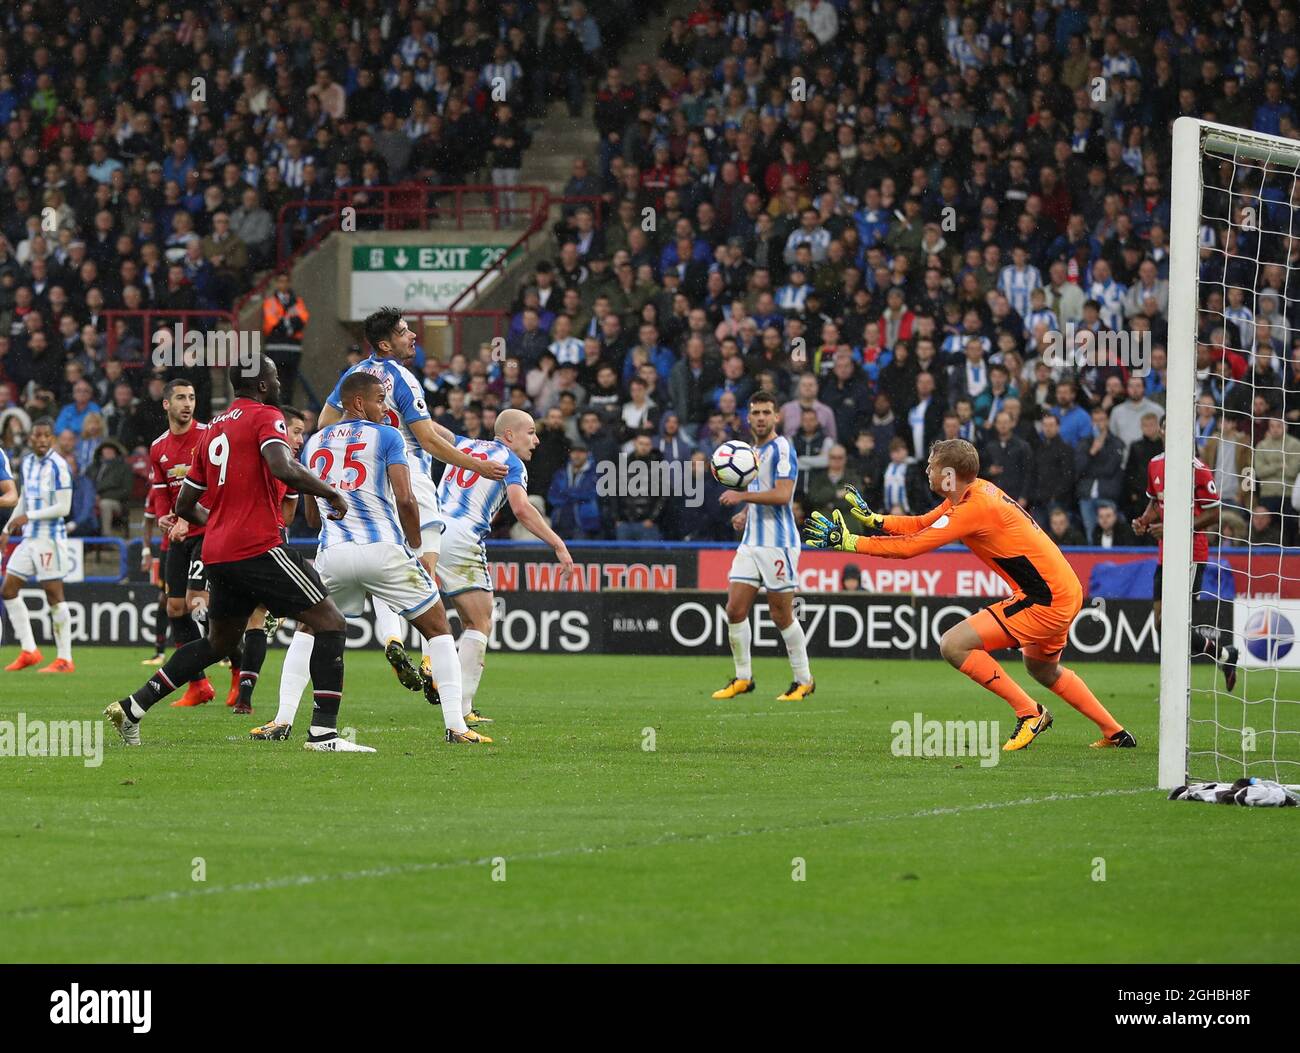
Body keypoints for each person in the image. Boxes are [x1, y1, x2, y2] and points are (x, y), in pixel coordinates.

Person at [104, 357, 369, 753]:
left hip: (217, 551)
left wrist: (222, 521)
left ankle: (133, 707)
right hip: (257, 546)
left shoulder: (212, 430)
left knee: (219, 643)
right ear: (261, 385)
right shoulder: (265, 415)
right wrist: (329, 492)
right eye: (274, 377)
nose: (279, 382)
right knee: (330, 622)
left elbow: (186, 502)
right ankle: (324, 735)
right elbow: (282, 466)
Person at [805, 438, 1134, 750]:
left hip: (1044, 599)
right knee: (1043, 669)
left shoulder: (973, 508)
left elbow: (912, 548)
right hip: (1063, 589)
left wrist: (851, 543)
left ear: (948, 475)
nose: (927, 471)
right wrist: (876, 520)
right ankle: (1115, 732)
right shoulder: (972, 494)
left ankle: (1030, 713)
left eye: (932, 466)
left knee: (953, 644)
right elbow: (920, 524)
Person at [253, 373, 489, 744]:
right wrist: (413, 542)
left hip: (333, 553)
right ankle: (456, 727)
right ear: (359, 403)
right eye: (380, 399)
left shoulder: (315, 442)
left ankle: (280, 721)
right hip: (382, 549)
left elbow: (313, 513)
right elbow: (406, 499)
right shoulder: (389, 436)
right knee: (439, 628)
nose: (386, 408)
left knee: (309, 629)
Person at [316, 308, 508, 691]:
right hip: (411, 477)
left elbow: (324, 425)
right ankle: (430, 661)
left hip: (370, 485)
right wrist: (477, 465)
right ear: (387, 343)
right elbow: (428, 442)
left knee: (387, 567)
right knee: (424, 570)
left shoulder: (354, 378)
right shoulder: (402, 377)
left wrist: (372, 434)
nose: (413, 336)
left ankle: (391, 638)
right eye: (404, 332)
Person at [435, 408, 574, 726]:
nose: (536, 440)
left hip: (429, 531)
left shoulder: (464, 444)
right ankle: (459, 707)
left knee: (445, 615)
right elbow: (522, 509)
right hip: (461, 536)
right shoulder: (511, 462)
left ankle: (438, 673)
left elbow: (430, 428)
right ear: (509, 435)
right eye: (530, 432)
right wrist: (557, 544)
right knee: (480, 622)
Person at [711, 391, 815, 703]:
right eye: (755, 412)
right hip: (751, 542)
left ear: (776, 416)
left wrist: (741, 497)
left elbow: (783, 495)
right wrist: (745, 514)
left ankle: (803, 680)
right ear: (748, 417)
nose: (760, 418)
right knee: (734, 609)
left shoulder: (783, 448)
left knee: (782, 615)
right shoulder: (751, 452)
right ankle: (743, 677)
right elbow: (761, 490)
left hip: (778, 544)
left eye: (766, 412)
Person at [1132, 420, 1239, 690]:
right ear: (1161, 432)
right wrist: (1144, 520)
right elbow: (1157, 500)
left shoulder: (1199, 470)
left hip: (1192, 555)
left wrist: (1169, 527)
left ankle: (1177, 690)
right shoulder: (1155, 464)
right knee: (1160, 623)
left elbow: (1214, 514)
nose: (1172, 432)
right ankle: (1225, 655)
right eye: (1167, 427)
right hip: (1164, 554)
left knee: (1177, 622)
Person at [141, 379, 216, 707]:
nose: (188, 403)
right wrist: (164, 518)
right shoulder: (158, 447)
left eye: (192, 397)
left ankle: (239, 666)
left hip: (205, 532)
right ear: (166, 405)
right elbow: (160, 490)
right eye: (181, 398)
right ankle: (198, 684)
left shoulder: (206, 437)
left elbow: (214, 487)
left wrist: (188, 516)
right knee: (174, 607)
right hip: (177, 536)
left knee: (197, 604)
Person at [232, 404, 307, 716]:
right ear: (280, 429)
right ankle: (244, 696)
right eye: (297, 431)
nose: (301, 439)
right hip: (268, 540)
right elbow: (286, 516)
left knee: (251, 618)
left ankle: (243, 697)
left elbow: (287, 516)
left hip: (244, 539)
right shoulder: (287, 466)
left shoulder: (256, 457)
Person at [0, 419, 75, 673]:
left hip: (50, 539)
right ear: (31, 438)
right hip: (30, 539)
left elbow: (64, 508)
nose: (41, 440)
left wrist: (29, 517)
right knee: (8, 589)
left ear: (52, 439)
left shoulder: (59, 466)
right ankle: (30, 650)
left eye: (46, 436)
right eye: (37, 436)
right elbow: (23, 499)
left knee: (54, 595)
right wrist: (7, 528)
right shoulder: (28, 462)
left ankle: (65, 659)